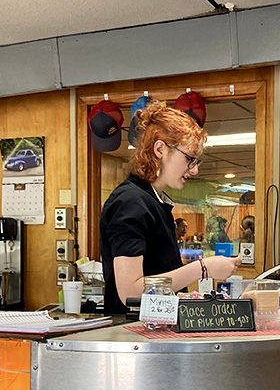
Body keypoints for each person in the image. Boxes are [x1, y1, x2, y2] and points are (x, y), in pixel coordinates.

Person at [100, 101, 241, 314]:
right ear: (160, 149)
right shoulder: (130, 203)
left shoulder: (154, 202)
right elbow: (131, 292)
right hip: (134, 336)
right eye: (189, 159)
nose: (193, 170)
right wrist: (203, 269)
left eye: (196, 162)